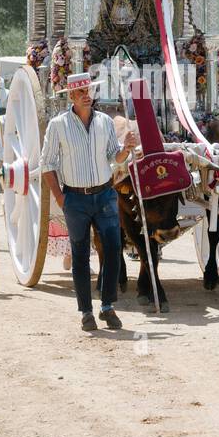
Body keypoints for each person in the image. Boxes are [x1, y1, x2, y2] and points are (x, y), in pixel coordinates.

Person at [39, 72, 137, 332]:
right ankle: (86, 311)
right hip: (75, 198)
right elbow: (46, 164)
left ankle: (107, 306)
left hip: (104, 195)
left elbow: (114, 157)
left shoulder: (104, 121)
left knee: (114, 249)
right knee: (80, 255)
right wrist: (61, 197)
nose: (86, 96)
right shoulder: (58, 125)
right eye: (80, 92)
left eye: (88, 91)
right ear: (71, 96)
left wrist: (125, 148)